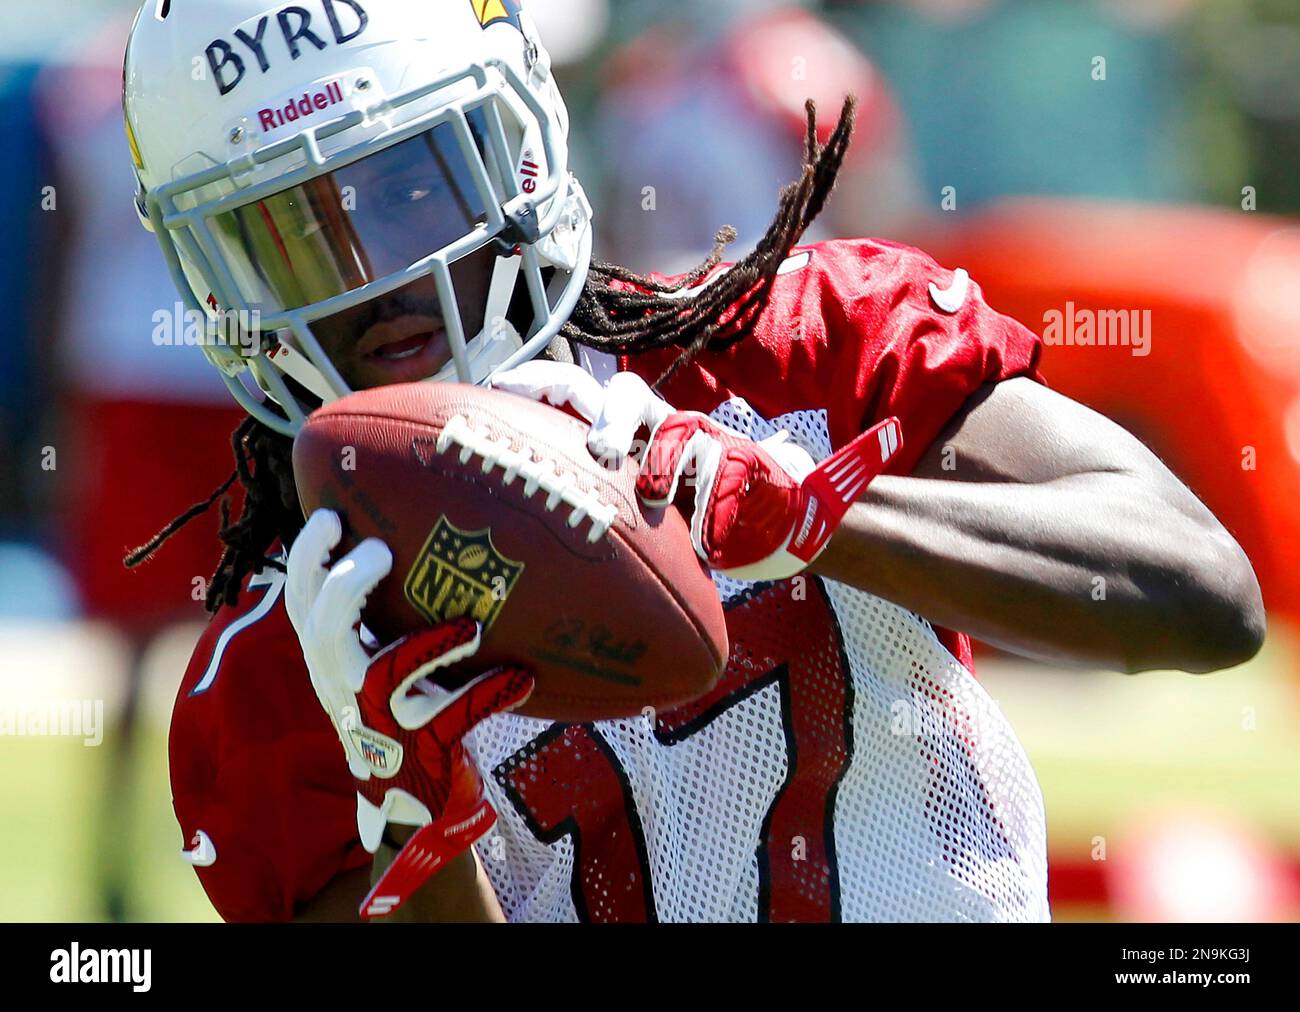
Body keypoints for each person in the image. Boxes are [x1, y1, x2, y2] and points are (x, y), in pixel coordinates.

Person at [122, 0, 1264, 922]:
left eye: (407, 185)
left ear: (514, 151)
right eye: (285, 229)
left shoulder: (806, 348)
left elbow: (1204, 597)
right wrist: (409, 807)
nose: (365, 275)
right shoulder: (279, 667)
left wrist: (809, 516)